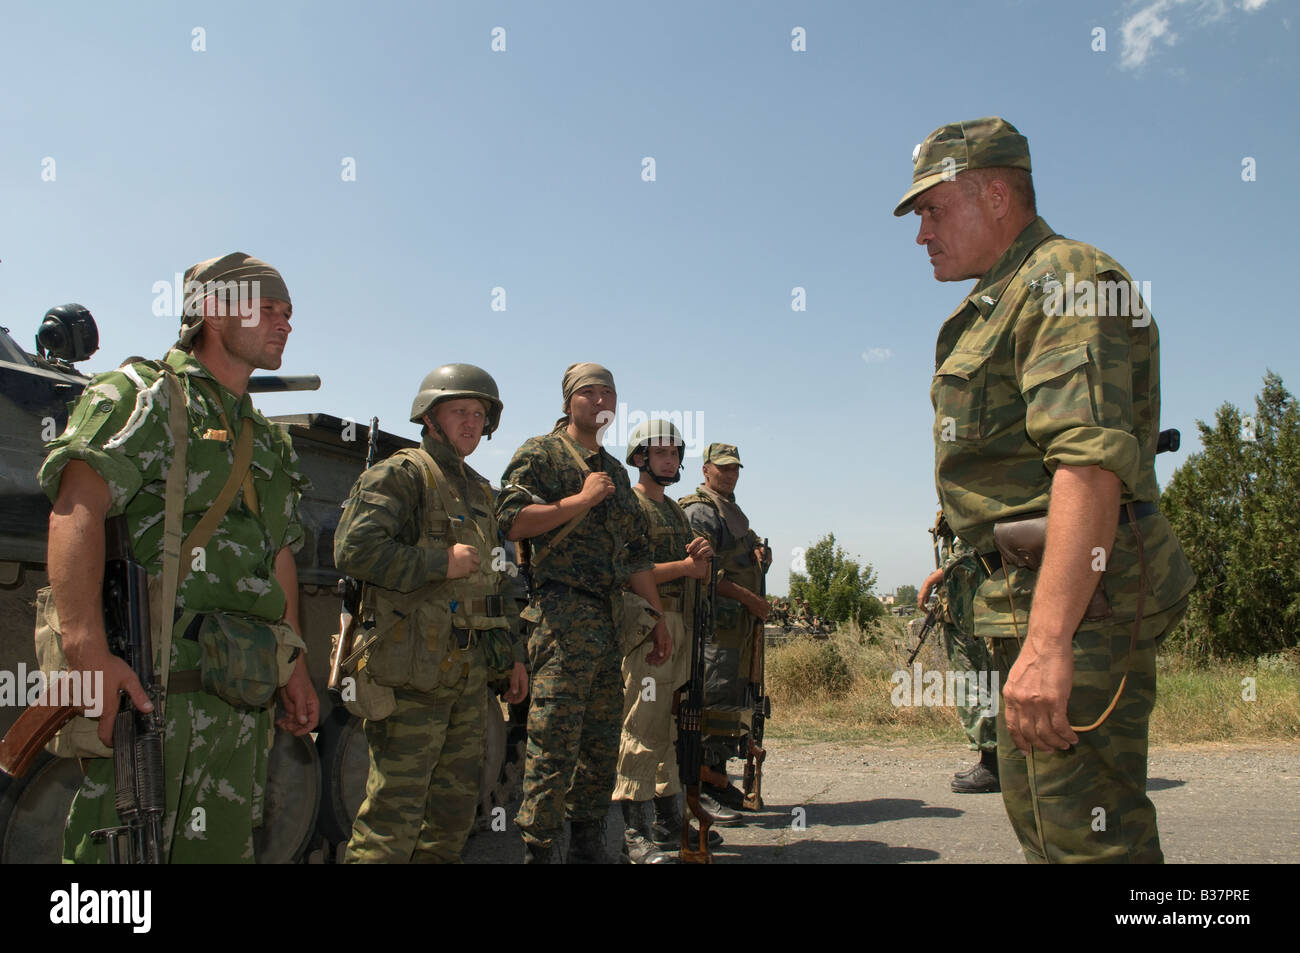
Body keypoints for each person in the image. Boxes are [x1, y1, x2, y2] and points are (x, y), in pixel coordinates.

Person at [897, 117, 1196, 862]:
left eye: (934, 209)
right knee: (1048, 835)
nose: (921, 233)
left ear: (996, 194)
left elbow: (1089, 466)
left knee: (1090, 845)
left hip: (1075, 610)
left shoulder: (1064, 282)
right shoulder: (1007, 296)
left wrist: (1049, 642)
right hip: (1025, 602)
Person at [41, 252, 319, 862]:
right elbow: (76, 505)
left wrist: (293, 660)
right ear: (215, 312)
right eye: (269, 309)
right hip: (151, 695)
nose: (286, 324)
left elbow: (276, 556)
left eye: (289, 313)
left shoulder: (266, 436)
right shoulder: (143, 394)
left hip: (239, 696)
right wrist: (87, 648)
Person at [335, 364, 528, 863]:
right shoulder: (402, 475)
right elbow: (353, 551)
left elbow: (500, 584)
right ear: (430, 416)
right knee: (392, 818)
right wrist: (439, 563)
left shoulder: (481, 493)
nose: (471, 422)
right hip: (410, 676)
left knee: (452, 816)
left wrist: (514, 658)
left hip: (466, 679)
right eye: (459, 411)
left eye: (480, 414)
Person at [496, 363, 672, 863]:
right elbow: (511, 521)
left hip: (607, 619)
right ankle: (540, 848)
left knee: (599, 746)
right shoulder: (542, 455)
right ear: (568, 401)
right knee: (552, 744)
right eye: (588, 393)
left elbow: (636, 555)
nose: (599, 401)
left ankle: (589, 846)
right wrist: (581, 499)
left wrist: (656, 619)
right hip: (558, 615)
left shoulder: (616, 472)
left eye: (607, 393)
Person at [613, 419, 715, 863]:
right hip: (645, 624)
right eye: (661, 454)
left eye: (675, 453)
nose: (671, 460)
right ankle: (634, 833)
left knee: (670, 727)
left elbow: (691, 568)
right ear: (640, 459)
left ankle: (670, 820)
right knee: (641, 724)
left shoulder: (673, 509)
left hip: (679, 621)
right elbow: (629, 574)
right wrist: (687, 568)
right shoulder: (629, 507)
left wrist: (702, 564)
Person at [678, 443, 770, 819]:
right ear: (706, 470)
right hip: (715, 627)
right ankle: (699, 791)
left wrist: (761, 556)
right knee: (710, 706)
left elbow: (739, 556)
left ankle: (718, 778)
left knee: (732, 707)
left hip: (737, 630)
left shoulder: (730, 509)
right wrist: (750, 598)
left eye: (735, 469)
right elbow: (706, 572)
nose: (730, 475)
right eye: (723, 468)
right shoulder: (700, 510)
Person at [918, 512, 998, 793]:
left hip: (972, 614)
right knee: (981, 682)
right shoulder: (958, 500)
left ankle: (992, 764)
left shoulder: (967, 498)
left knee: (976, 684)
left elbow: (971, 550)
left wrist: (932, 579)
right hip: (965, 609)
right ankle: (996, 761)